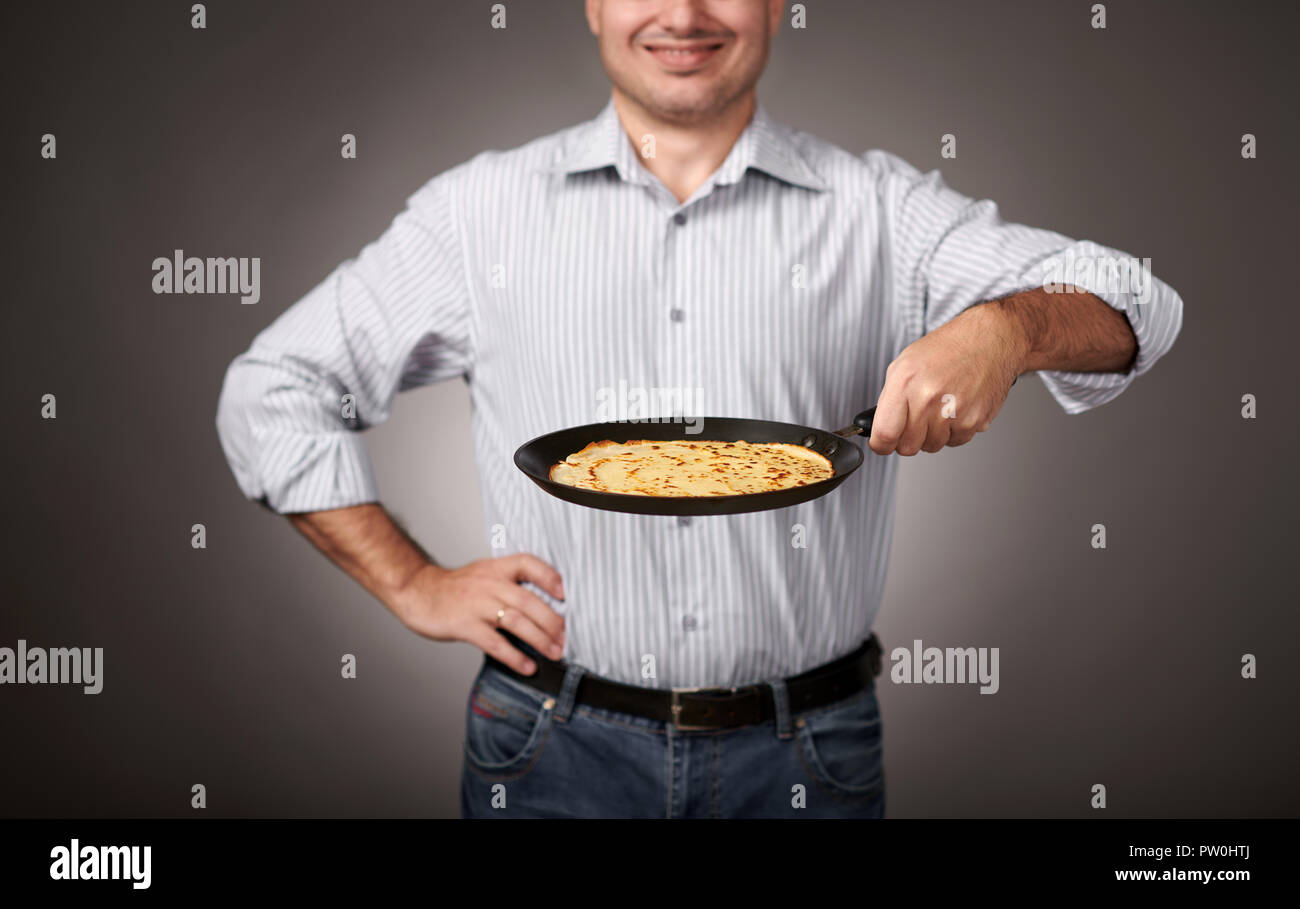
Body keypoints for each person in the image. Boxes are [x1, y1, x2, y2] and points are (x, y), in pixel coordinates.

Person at [215, 0, 1183, 818]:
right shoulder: (481, 216)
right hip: (548, 754)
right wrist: (413, 585)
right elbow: (273, 392)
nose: (683, 14)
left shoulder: (878, 212)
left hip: (809, 756)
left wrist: (1007, 332)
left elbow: (1139, 302)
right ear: (592, 4)